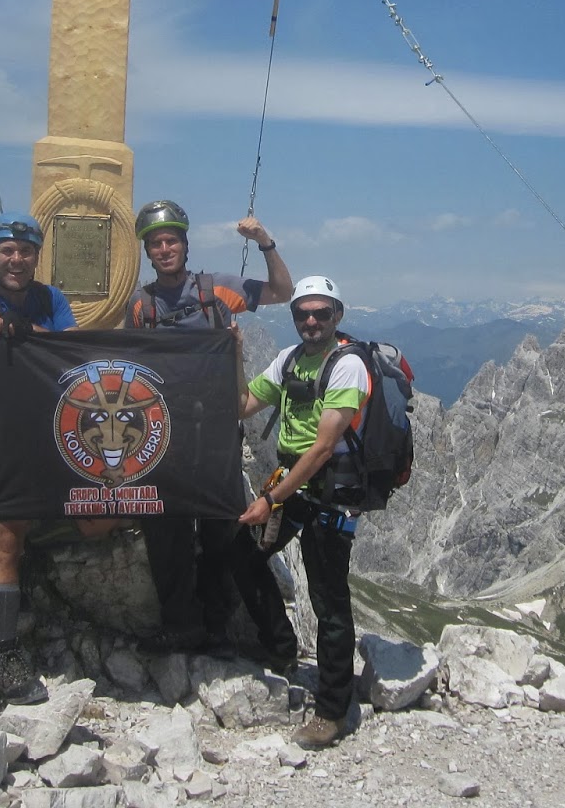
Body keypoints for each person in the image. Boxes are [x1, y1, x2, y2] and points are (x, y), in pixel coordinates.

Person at [125, 199, 292, 654]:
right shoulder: (140, 306)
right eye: (155, 243)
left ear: (184, 243)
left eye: (171, 240)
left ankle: (217, 626)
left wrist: (265, 242)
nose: (164, 249)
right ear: (148, 252)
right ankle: (181, 624)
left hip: (216, 433)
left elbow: (282, 290)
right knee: (166, 531)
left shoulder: (216, 289)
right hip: (163, 434)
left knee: (222, 529)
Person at [238, 275, 370, 749]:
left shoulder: (347, 365)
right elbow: (242, 405)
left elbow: (323, 447)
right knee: (245, 554)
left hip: (330, 490)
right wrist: (232, 353)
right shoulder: (288, 360)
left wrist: (270, 500)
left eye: (322, 313)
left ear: (338, 316)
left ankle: (333, 711)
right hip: (291, 480)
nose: (311, 321)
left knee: (328, 598)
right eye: (302, 314)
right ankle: (280, 650)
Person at [0, 213, 77, 705]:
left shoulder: (51, 300)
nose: (16, 259)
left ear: (37, 256)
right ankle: (5, 653)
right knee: (3, 538)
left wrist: (29, 332)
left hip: (49, 430)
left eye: (25, 251)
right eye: (6, 251)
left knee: (101, 516)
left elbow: (74, 351)